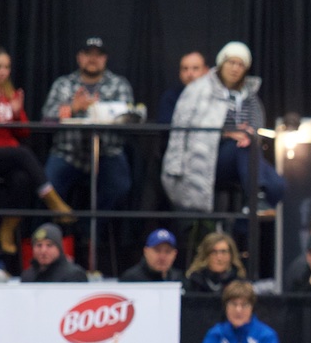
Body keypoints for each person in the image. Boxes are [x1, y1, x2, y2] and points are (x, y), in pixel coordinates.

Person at [0, 46, 74, 255]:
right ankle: (52, 200)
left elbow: (24, 131)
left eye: (7, 67)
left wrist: (15, 113)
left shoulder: (9, 91)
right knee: (22, 154)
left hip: (7, 155)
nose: (3, 72)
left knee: (23, 177)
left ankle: (7, 229)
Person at [162, 41, 286, 212]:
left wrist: (250, 134)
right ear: (221, 64)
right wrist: (226, 133)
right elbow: (185, 130)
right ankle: (255, 198)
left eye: (240, 64)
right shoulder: (199, 90)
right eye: (231, 62)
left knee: (278, 185)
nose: (235, 68)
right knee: (242, 148)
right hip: (207, 159)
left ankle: (246, 217)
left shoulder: (251, 98)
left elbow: (258, 129)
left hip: (245, 156)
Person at [41, 38, 134, 214]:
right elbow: (46, 119)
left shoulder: (118, 85)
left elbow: (128, 118)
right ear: (79, 58)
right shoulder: (63, 84)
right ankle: (52, 236)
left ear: (105, 58)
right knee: (47, 187)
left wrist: (100, 111)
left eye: (98, 55)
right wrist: (73, 108)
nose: (93, 59)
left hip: (107, 152)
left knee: (120, 187)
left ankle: (88, 232)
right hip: (67, 152)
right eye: (88, 54)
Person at [20, 223, 87, 283]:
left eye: (49, 245)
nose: (43, 250)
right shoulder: (27, 276)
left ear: (59, 249)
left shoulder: (74, 275)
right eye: (39, 245)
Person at [155, 51, 208, 125]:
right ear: (180, 73)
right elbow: (165, 127)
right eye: (185, 69)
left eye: (195, 68)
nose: (189, 74)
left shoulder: (217, 95)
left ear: (206, 71)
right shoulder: (170, 96)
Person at [119, 228, 184, 283]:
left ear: (175, 254)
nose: (162, 257)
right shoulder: (131, 279)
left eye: (168, 252)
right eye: (157, 250)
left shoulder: (179, 279)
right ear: (146, 252)